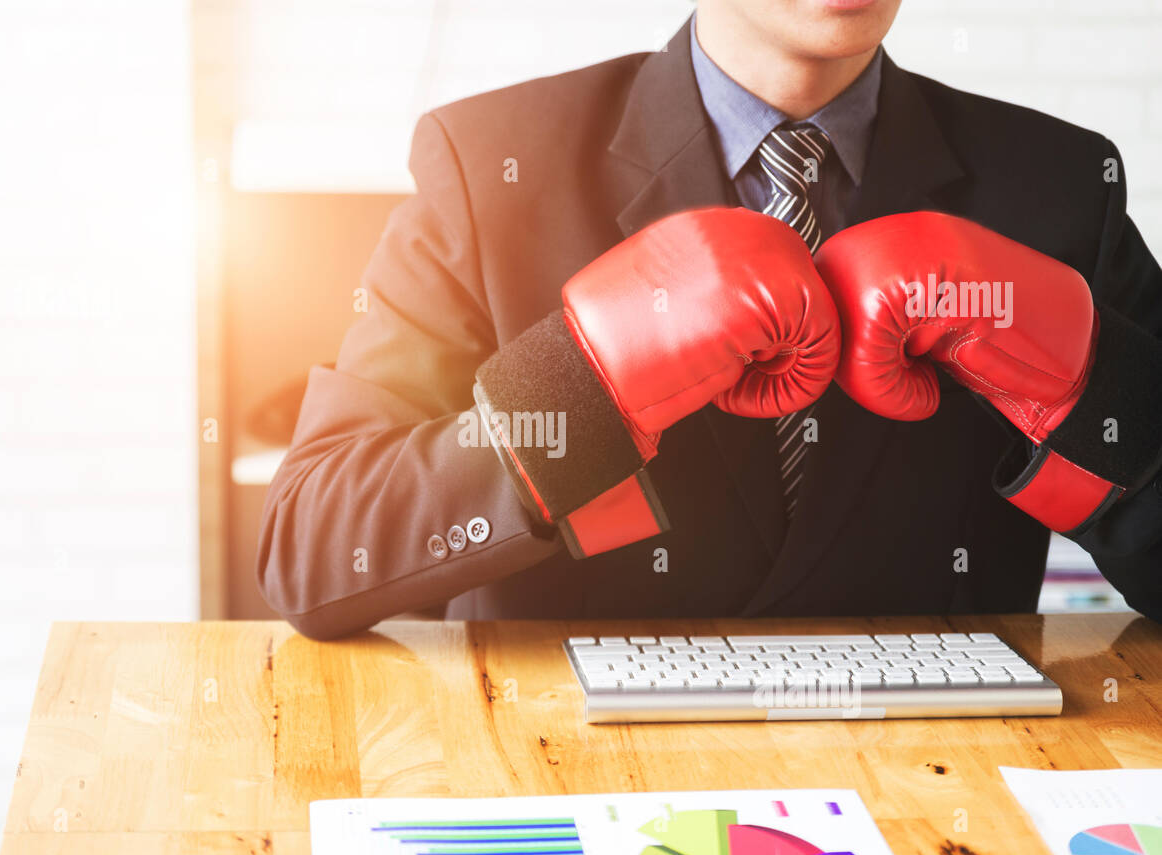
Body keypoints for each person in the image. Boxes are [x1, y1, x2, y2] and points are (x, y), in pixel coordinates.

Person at [256, 0, 1162, 638]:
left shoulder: (1058, 187)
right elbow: (315, 552)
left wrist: (1084, 388)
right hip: (572, 779)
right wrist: (580, 390)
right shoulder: (491, 164)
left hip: (945, 785)